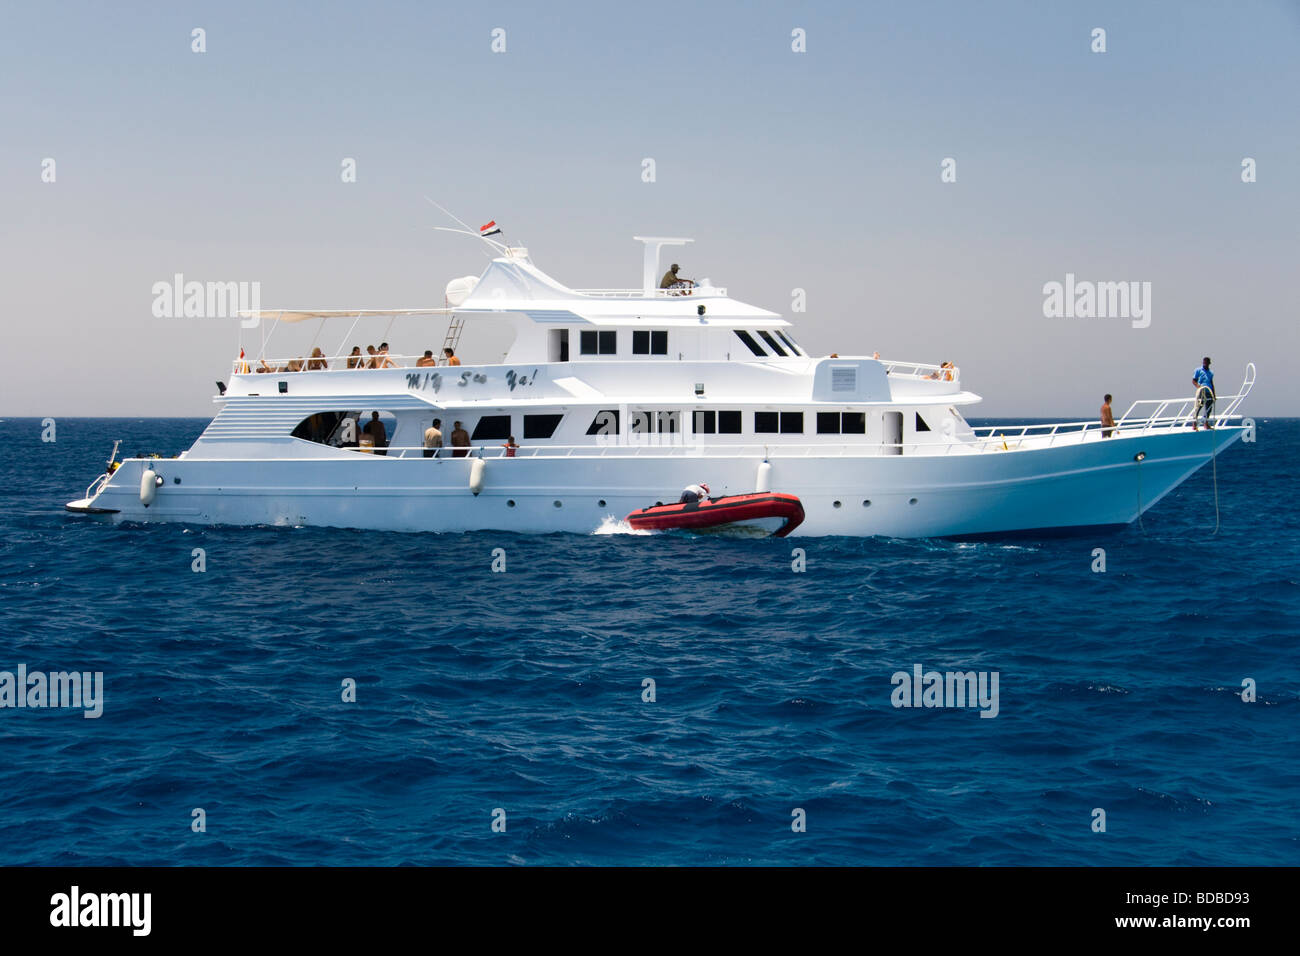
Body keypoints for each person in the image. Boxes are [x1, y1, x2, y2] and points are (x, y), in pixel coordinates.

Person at [1192, 356, 1215, 430]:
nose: (1205, 364)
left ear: (1209, 363)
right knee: (1198, 407)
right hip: (1201, 391)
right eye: (1204, 363)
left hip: (1209, 391)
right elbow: (1194, 380)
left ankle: (1206, 423)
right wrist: (1198, 387)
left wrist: (1214, 394)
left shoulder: (1211, 372)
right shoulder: (1198, 370)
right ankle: (1194, 424)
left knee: (1208, 408)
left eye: (1206, 363)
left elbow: (1211, 382)